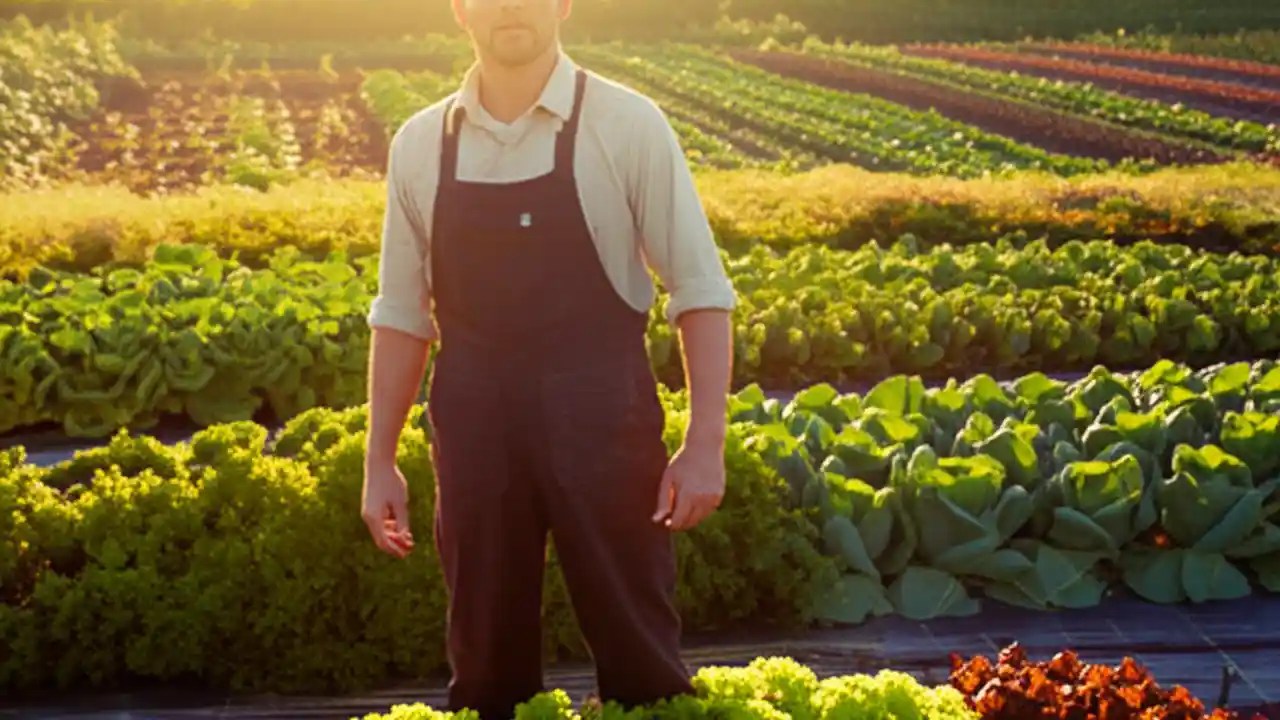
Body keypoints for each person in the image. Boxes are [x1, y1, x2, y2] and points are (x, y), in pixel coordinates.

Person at [359, 0, 737, 717]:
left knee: (641, 661)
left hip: (604, 422)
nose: (510, 6)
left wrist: (704, 444)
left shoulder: (626, 126)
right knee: (485, 670)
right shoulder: (419, 145)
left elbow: (700, 289)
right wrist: (380, 459)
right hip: (475, 433)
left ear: (563, 3)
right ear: (460, 9)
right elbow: (403, 316)